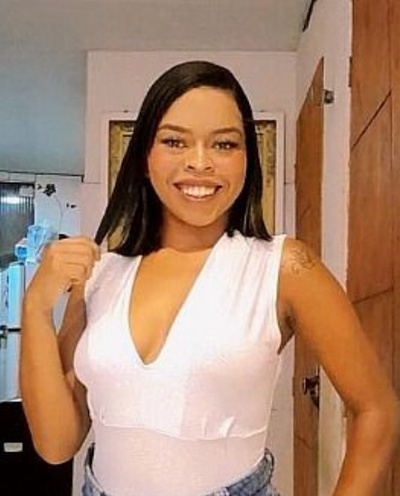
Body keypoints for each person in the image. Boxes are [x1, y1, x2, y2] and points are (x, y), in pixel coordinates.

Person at [20, 60, 399, 496]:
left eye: (224, 144)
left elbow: (377, 410)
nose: (199, 163)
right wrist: (35, 306)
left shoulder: (282, 267)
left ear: (247, 160)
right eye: (174, 141)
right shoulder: (100, 277)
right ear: (144, 157)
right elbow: (56, 444)